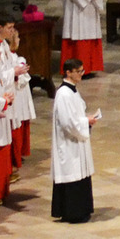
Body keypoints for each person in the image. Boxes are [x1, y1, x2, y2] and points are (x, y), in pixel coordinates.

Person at [50, 58, 97, 224]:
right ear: (68, 72)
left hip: (77, 141)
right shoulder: (63, 93)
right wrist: (86, 122)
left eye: (82, 71)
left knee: (80, 175)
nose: (81, 74)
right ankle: (73, 213)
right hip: (69, 143)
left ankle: (81, 210)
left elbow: (75, 115)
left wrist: (86, 119)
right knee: (72, 175)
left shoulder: (73, 91)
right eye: (78, 71)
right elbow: (67, 122)